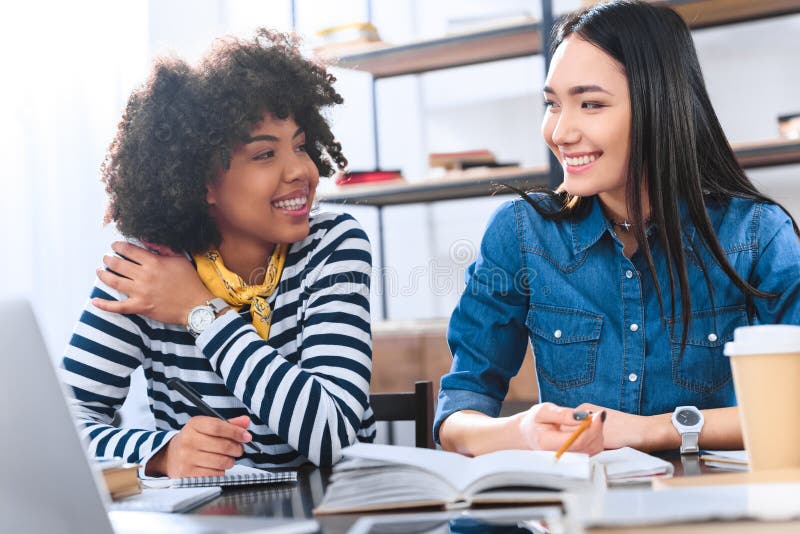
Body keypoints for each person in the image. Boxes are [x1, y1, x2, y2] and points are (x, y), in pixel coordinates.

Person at [435, 0, 800, 457]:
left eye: (590, 104)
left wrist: (650, 430)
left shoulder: (758, 236)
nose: (560, 131)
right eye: (552, 104)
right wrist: (521, 431)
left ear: (658, 108)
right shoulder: (521, 234)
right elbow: (458, 414)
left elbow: (793, 412)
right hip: (573, 519)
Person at [59, 29, 375, 477]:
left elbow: (333, 434)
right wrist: (162, 452)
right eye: (265, 153)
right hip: (211, 521)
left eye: (301, 146)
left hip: (332, 514)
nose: (301, 170)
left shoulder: (332, 242)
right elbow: (62, 430)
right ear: (201, 181)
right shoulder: (147, 269)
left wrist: (200, 311)